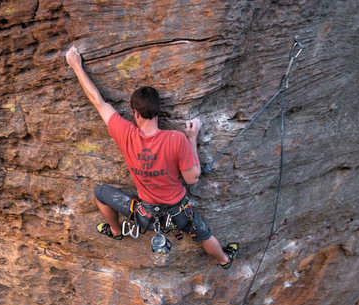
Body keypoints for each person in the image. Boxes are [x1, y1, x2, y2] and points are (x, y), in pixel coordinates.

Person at [65, 45, 238, 269]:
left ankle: (116, 231)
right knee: (204, 234)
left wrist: (76, 66)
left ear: (135, 113)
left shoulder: (125, 134)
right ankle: (224, 259)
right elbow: (193, 177)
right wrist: (192, 138)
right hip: (179, 214)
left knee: (100, 193)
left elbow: (98, 101)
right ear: (158, 112)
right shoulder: (176, 139)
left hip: (144, 215)